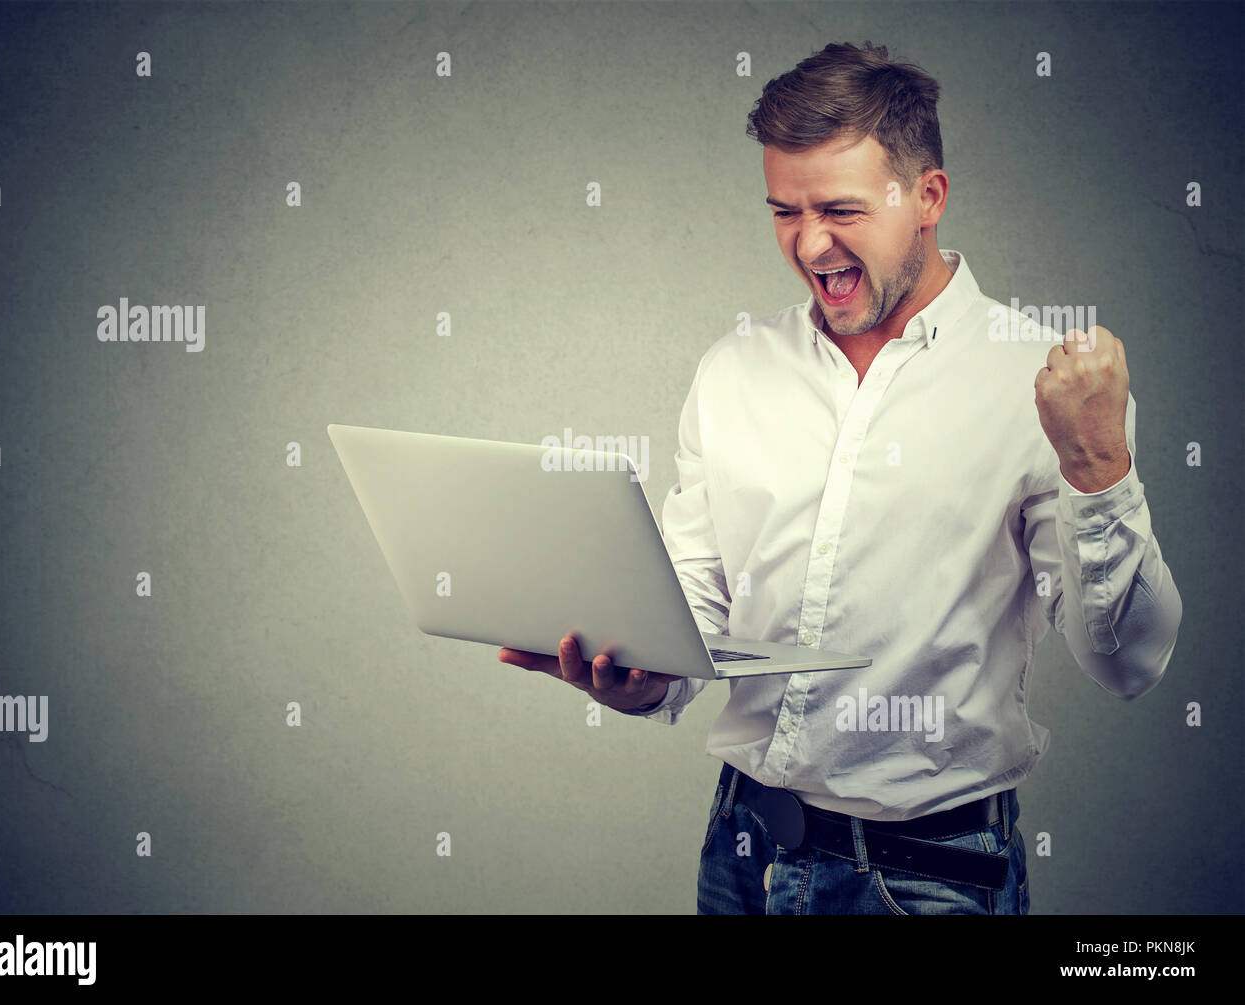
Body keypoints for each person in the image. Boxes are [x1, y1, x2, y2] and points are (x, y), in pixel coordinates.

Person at [498, 41, 1182, 915]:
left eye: (840, 209)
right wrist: (642, 677)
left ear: (928, 196)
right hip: (741, 851)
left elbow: (1129, 661)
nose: (809, 243)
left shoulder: (1044, 386)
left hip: (928, 877)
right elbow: (701, 608)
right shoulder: (735, 367)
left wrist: (1098, 467)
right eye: (784, 210)